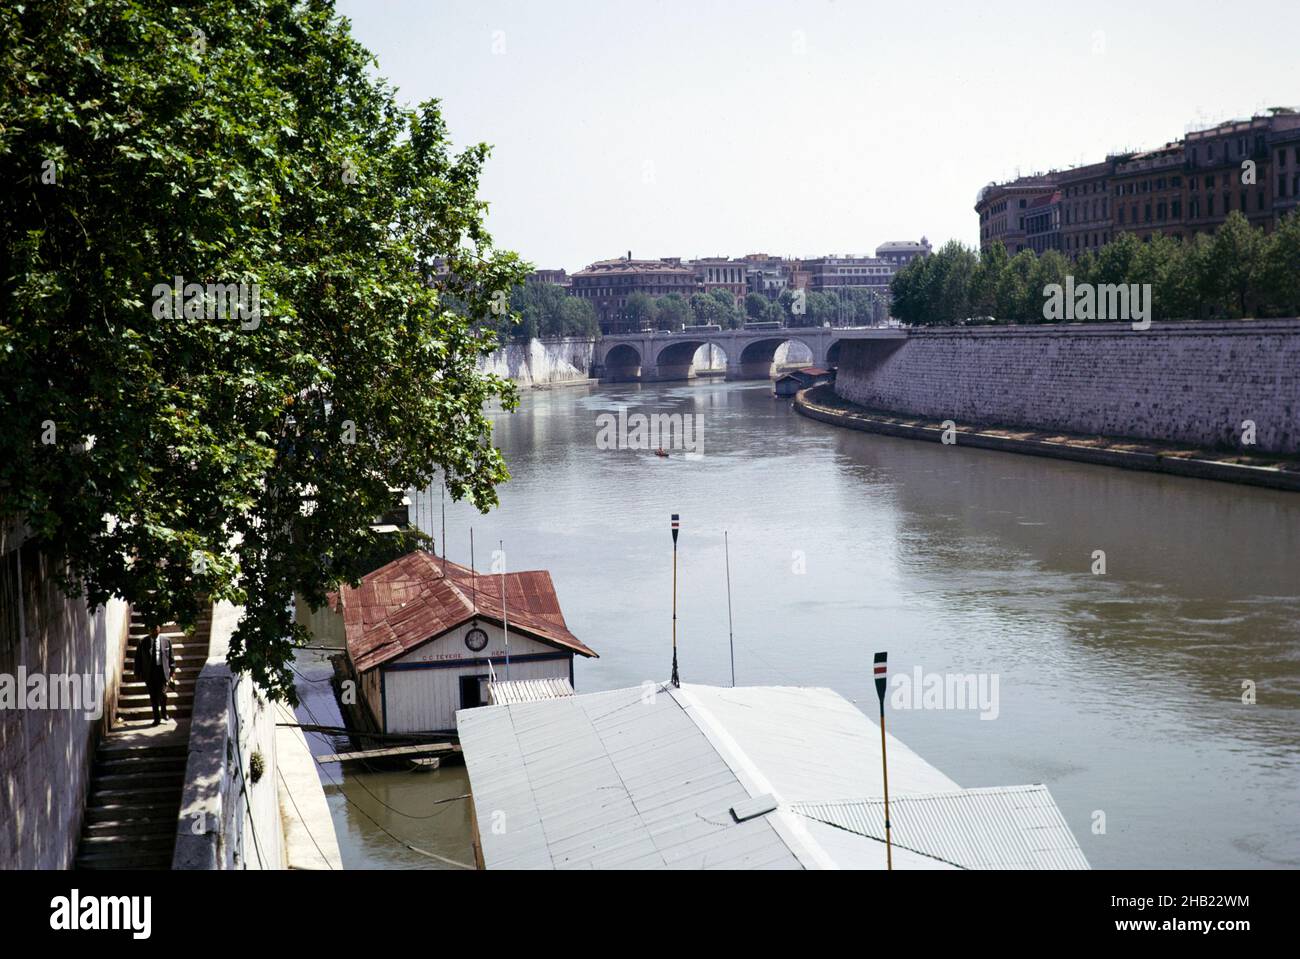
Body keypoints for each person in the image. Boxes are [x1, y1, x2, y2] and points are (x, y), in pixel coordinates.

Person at [133, 624, 176, 725]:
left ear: (159, 629)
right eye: (152, 631)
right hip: (149, 673)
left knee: (162, 694)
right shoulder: (143, 642)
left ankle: (164, 712)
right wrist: (136, 672)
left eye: (156, 631)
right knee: (153, 696)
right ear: (149, 631)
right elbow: (138, 658)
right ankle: (156, 718)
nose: (154, 633)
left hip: (162, 672)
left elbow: (171, 657)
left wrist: (173, 670)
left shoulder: (166, 641)